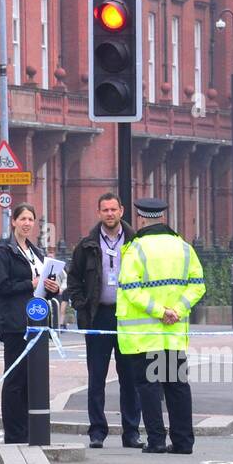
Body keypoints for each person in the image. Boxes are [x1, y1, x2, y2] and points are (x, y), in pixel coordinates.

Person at [117, 198, 205, 454]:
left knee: (149, 387)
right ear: (163, 218)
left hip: (145, 336)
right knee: (177, 386)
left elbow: (131, 290)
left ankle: (156, 440)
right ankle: (183, 442)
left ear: (142, 218)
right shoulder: (184, 247)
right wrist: (176, 311)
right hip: (174, 334)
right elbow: (198, 284)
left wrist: (159, 311)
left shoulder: (135, 249)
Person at [65, 192, 144, 449]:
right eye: (105, 210)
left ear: (121, 211)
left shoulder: (136, 242)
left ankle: (131, 431)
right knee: (96, 377)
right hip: (98, 316)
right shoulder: (87, 244)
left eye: (113, 209)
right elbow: (73, 278)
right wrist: (80, 304)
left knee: (129, 377)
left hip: (128, 316)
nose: (110, 214)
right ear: (99, 213)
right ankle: (97, 431)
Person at [0, 204, 61, 444]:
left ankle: (31, 431)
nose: (27, 223)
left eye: (31, 219)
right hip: (15, 324)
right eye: (22, 219)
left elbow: (41, 288)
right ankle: (14, 434)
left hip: (37, 325)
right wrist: (29, 284)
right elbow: (1, 287)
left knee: (33, 379)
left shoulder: (37, 253)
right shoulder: (4, 251)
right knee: (15, 380)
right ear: (13, 222)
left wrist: (53, 288)